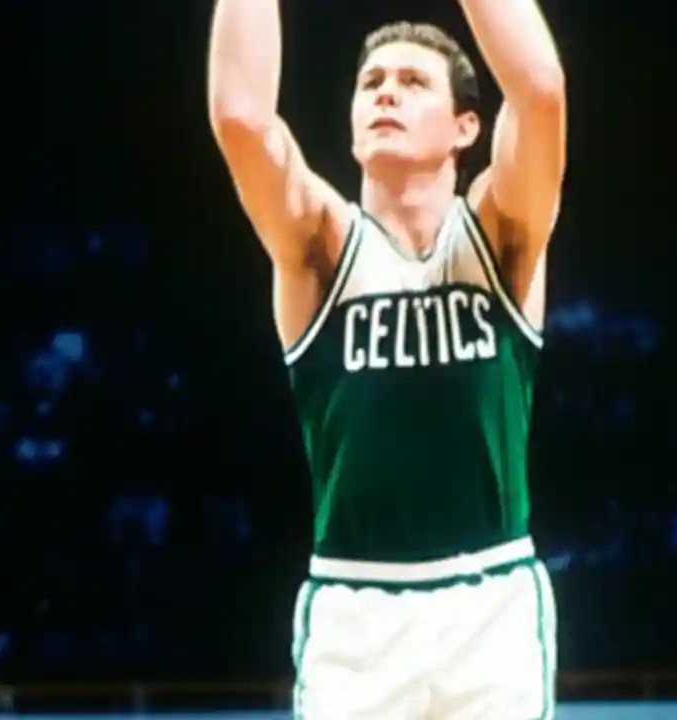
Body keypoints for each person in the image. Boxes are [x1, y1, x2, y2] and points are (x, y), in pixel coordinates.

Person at [208, 1, 567, 716]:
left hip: (490, 599)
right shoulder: (321, 244)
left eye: (411, 81)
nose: (384, 93)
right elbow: (243, 118)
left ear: (466, 126)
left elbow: (541, 91)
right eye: (370, 82)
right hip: (355, 606)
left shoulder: (499, 234)